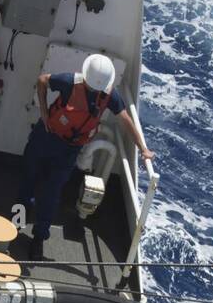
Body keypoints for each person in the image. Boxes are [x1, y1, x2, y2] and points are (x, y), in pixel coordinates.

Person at [17, 53, 153, 261]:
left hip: (68, 150)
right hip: (46, 137)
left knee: (51, 193)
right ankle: (17, 219)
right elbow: (43, 80)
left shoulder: (110, 96)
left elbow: (126, 120)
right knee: (28, 176)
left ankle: (38, 238)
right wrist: (44, 113)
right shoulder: (69, 82)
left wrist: (142, 148)